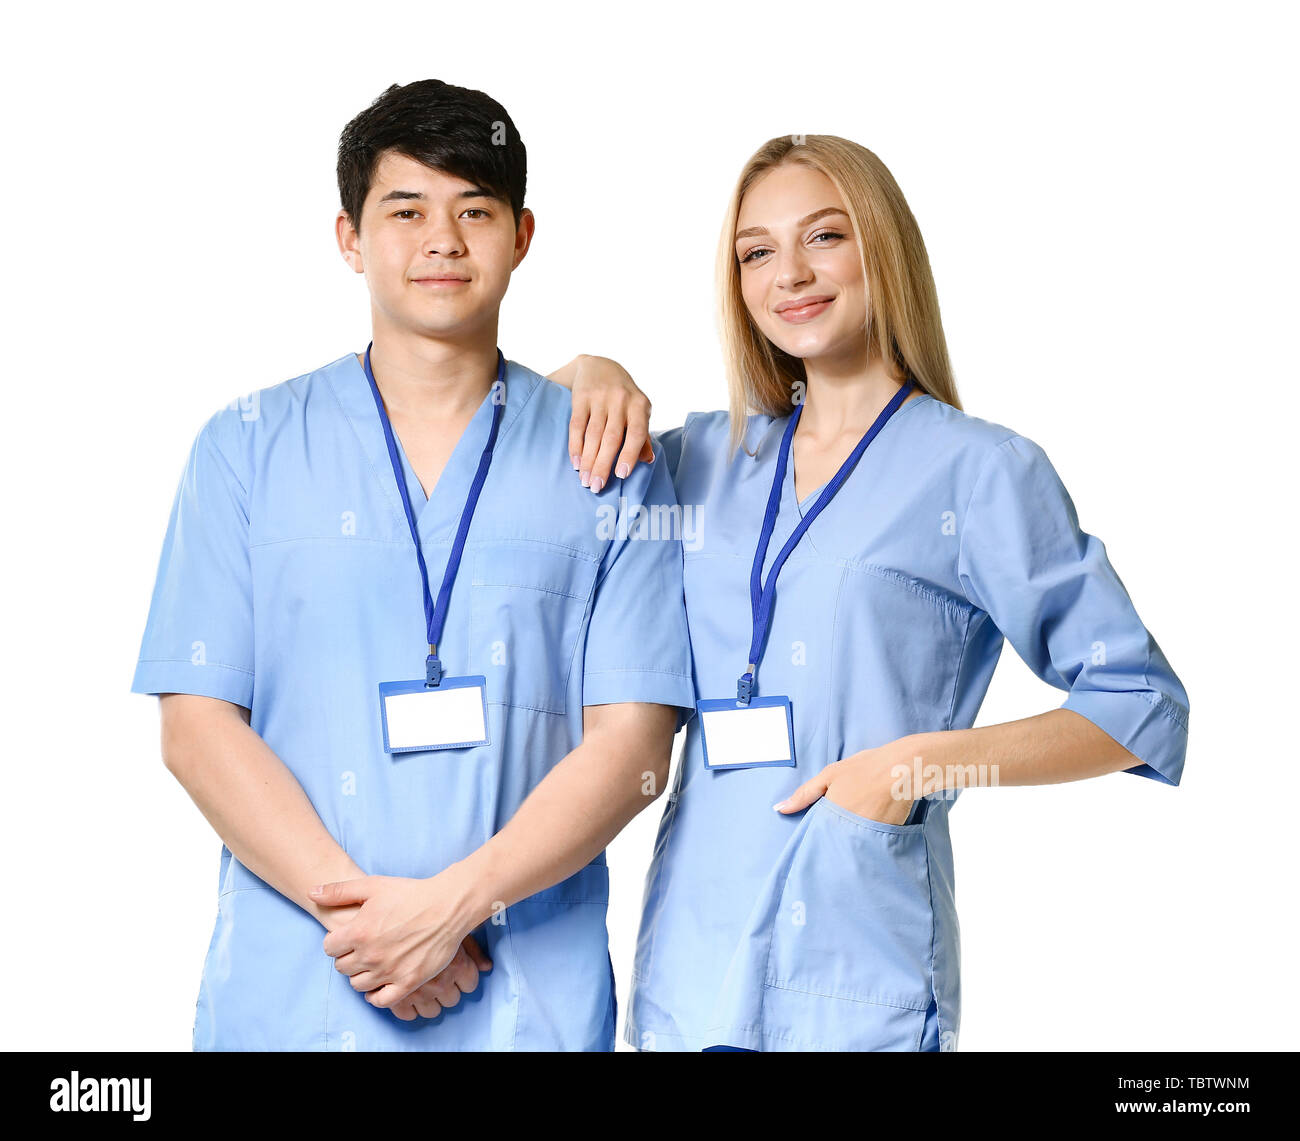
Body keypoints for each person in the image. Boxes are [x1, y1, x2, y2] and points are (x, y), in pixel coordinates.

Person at [551, 134, 1190, 1051]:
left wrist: (915, 768)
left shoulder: (980, 474)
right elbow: (516, 462)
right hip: (694, 964)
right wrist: (589, 373)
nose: (791, 275)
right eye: (757, 251)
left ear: (880, 247)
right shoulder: (700, 461)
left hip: (855, 963)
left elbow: (1143, 707)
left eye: (825, 236)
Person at [128, 79, 695, 1051]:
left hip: (529, 1003)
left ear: (521, 235)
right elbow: (196, 727)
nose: (442, 240)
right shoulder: (245, 448)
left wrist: (448, 909)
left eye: (473, 210)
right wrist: (373, 927)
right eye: (405, 211)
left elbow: (635, 748)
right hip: (298, 995)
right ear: (348, 238)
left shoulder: (605, 459)